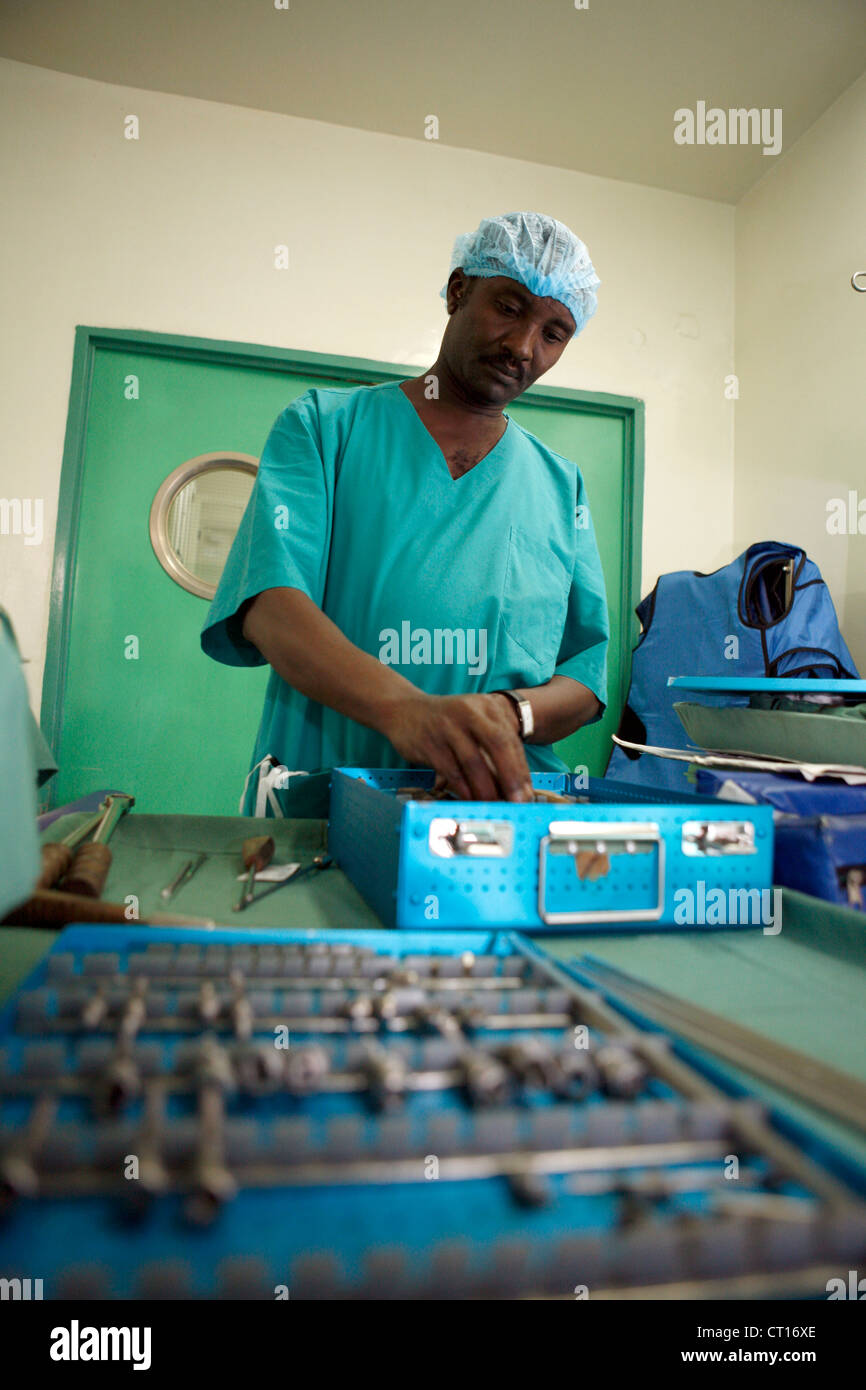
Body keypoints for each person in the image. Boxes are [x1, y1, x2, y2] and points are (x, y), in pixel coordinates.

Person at [201, 211, 610, 810]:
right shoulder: (325, 429)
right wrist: (406, 711)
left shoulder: (558, 485)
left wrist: (505, 714)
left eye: (554, 333)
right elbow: (269, 604)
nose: (523, 347)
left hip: (487, 819)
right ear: (458, 290)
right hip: (326, 802)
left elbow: (585, 674)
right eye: (509, 307)